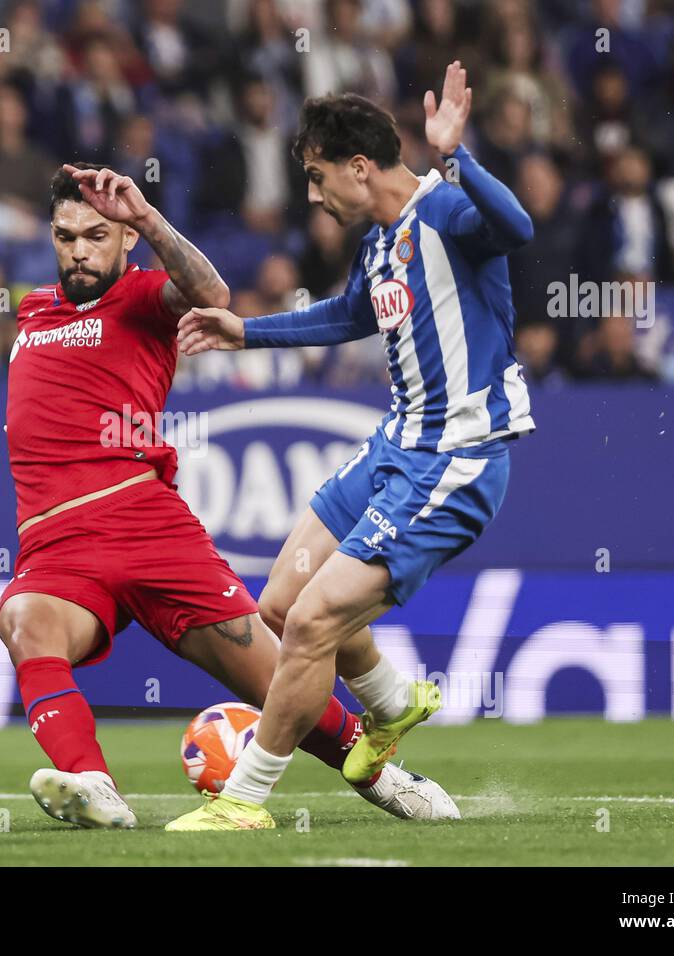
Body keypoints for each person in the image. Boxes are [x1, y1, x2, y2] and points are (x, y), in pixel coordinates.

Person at [0, 162, 454, 829]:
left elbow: (212, 290)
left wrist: (148, 218)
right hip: (56, 543)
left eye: (98, 234)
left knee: (278, 685)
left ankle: (382, 775)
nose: (80, 249)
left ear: (124, 239)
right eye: (66, 236)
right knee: (23, 624)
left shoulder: (147, 295)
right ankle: (93, 785)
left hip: (146, 524)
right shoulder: (34, 309)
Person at [170, 61, 533, 830]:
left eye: (315, 175)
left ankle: (244, 804)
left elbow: (518, 228)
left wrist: (456, 157)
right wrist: (248, 333)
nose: (311, 194)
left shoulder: (448, 214)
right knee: (280, 604)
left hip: (456, 458)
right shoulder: (380, 244)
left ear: (359, 167)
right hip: (393, 446)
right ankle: (394, 705)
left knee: (310, 626)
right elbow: (348, 317)